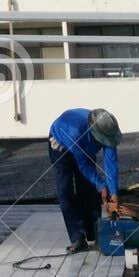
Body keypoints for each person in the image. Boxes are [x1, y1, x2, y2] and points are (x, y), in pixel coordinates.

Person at [48, 106, 122, 253]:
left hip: (83, 146)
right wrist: (101, 186)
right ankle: (77, 238)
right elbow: (84, 166)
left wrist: (113, 193)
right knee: (65, 192)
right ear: (95, 134)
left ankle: (95, 233)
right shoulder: (75, 133)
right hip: (60, 146)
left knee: (88, 189)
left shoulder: (108, 130)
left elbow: (111, 163)